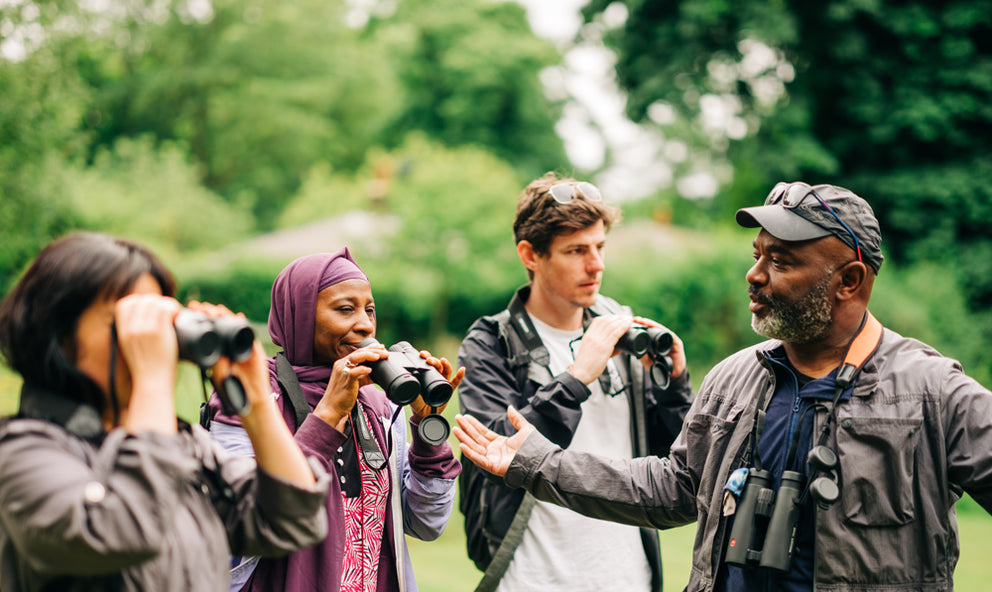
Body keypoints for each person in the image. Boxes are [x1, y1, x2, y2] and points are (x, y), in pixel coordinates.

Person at [454, 181, 992, 592]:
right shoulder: (735, 378)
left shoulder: (932, 391)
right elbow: (676, 487)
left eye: (779, 261)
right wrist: (539, 461)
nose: (754, 275)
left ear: (849, 281)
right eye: (756, 254)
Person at [0, 232, 330, 592]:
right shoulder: (20, 452)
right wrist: (153, 381)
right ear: (57, 335)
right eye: (126, 321)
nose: (149, 338)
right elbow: (123, 529)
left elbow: (293, 518)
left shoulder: (184, 446)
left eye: (157, 323)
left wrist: (256, 402)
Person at [456, 172, 694, 592]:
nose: (596, 264)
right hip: (533, 578)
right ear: (530, 255)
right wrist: (577, 377)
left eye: (600, 247)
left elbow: (672, 462)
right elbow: (494, 454)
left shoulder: (621, 328)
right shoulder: (492, 341)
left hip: (629, 576)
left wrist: (674, 384)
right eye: (576, 250)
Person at [204, 247, 463, 592]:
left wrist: (426, 427)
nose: (364, 324)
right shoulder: (252, 395)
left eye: (369, 310)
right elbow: (240, 530)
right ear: (300, 316)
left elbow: (426, 523)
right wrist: (327, 415)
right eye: (345, 309)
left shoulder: (380, 400)